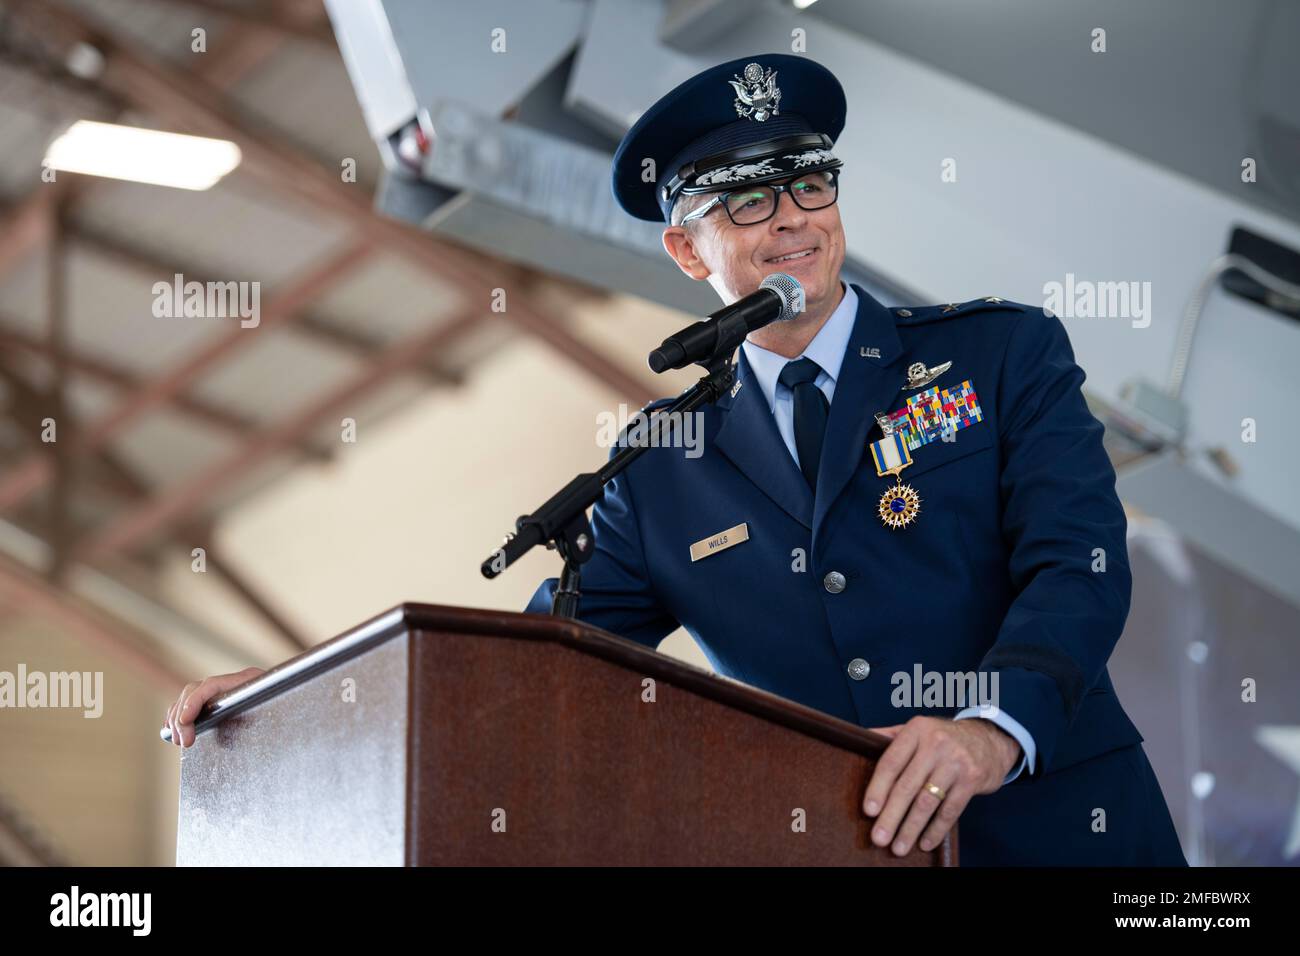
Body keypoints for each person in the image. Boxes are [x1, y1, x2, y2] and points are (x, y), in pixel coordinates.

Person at [521, 53, 1186, 865]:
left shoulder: (1000, 352)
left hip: (1073, 834)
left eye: (810, 183)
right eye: (747, 201)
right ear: (688, 252)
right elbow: (553, 674)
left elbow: (1077, 565)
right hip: (843, 848)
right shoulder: (660, 464)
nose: (792, 218)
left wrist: (989, 727)